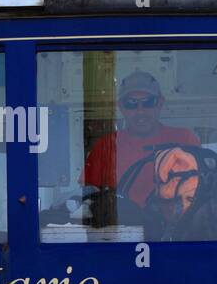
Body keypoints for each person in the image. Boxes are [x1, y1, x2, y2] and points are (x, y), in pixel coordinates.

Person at [82, 71, 199, 210]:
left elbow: (202, 188)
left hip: (174, 229)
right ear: (121, 107)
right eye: (131, 103)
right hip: (124, 228)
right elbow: (89, 192)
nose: (140, 111)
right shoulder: (106, 146)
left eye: (148, 102)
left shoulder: (185, 139)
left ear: (160, 103)